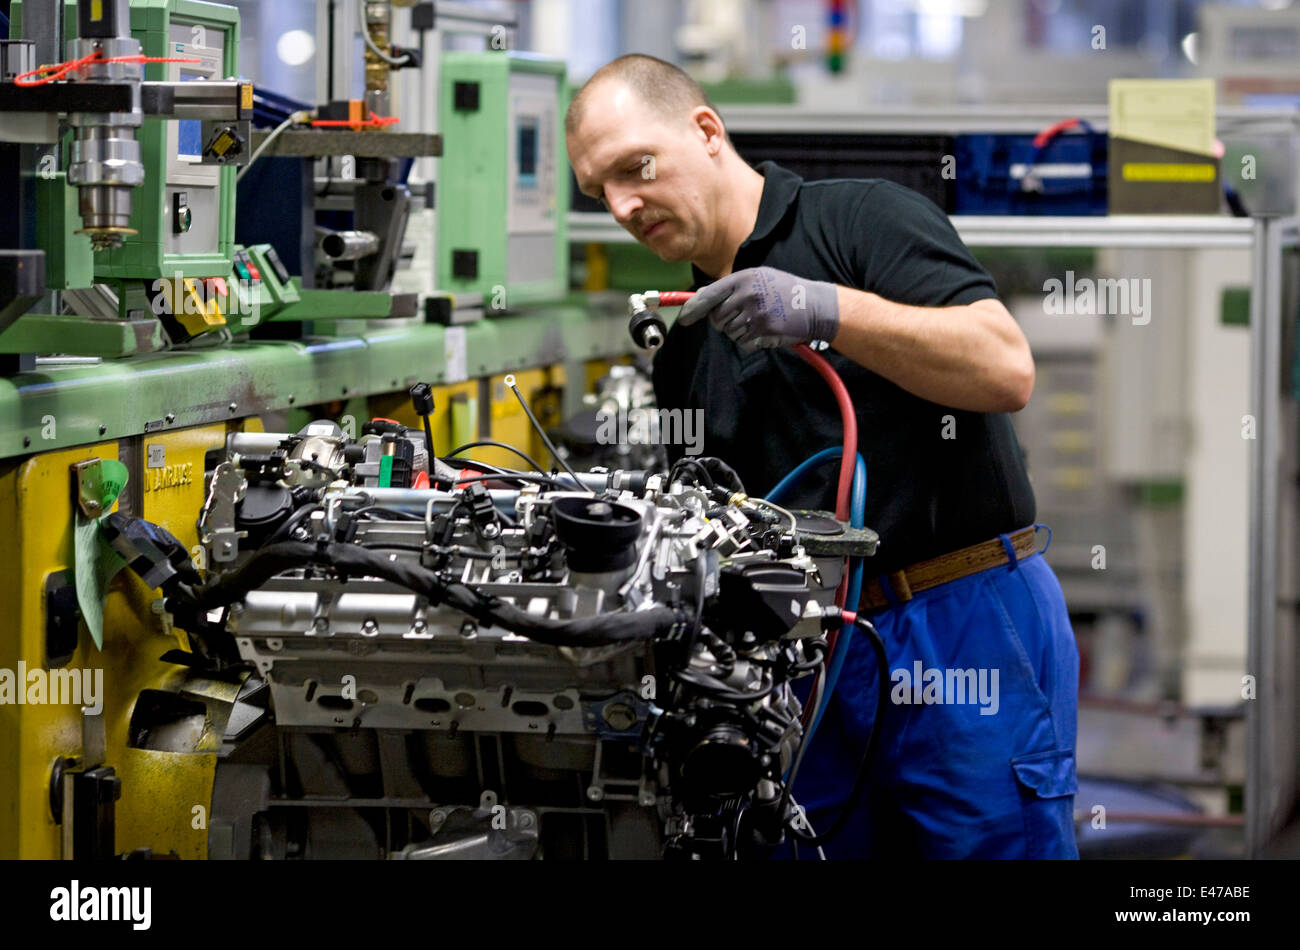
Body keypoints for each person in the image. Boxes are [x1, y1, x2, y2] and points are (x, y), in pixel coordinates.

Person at [566, 54, 1079, 859]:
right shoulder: (684, 348)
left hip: (959, 622)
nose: (626, 205)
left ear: (706, 131)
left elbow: (1003, 367)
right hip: (807, 655)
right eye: (602, 192)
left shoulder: (860, 221)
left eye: (637, 168)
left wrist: (825, 309)